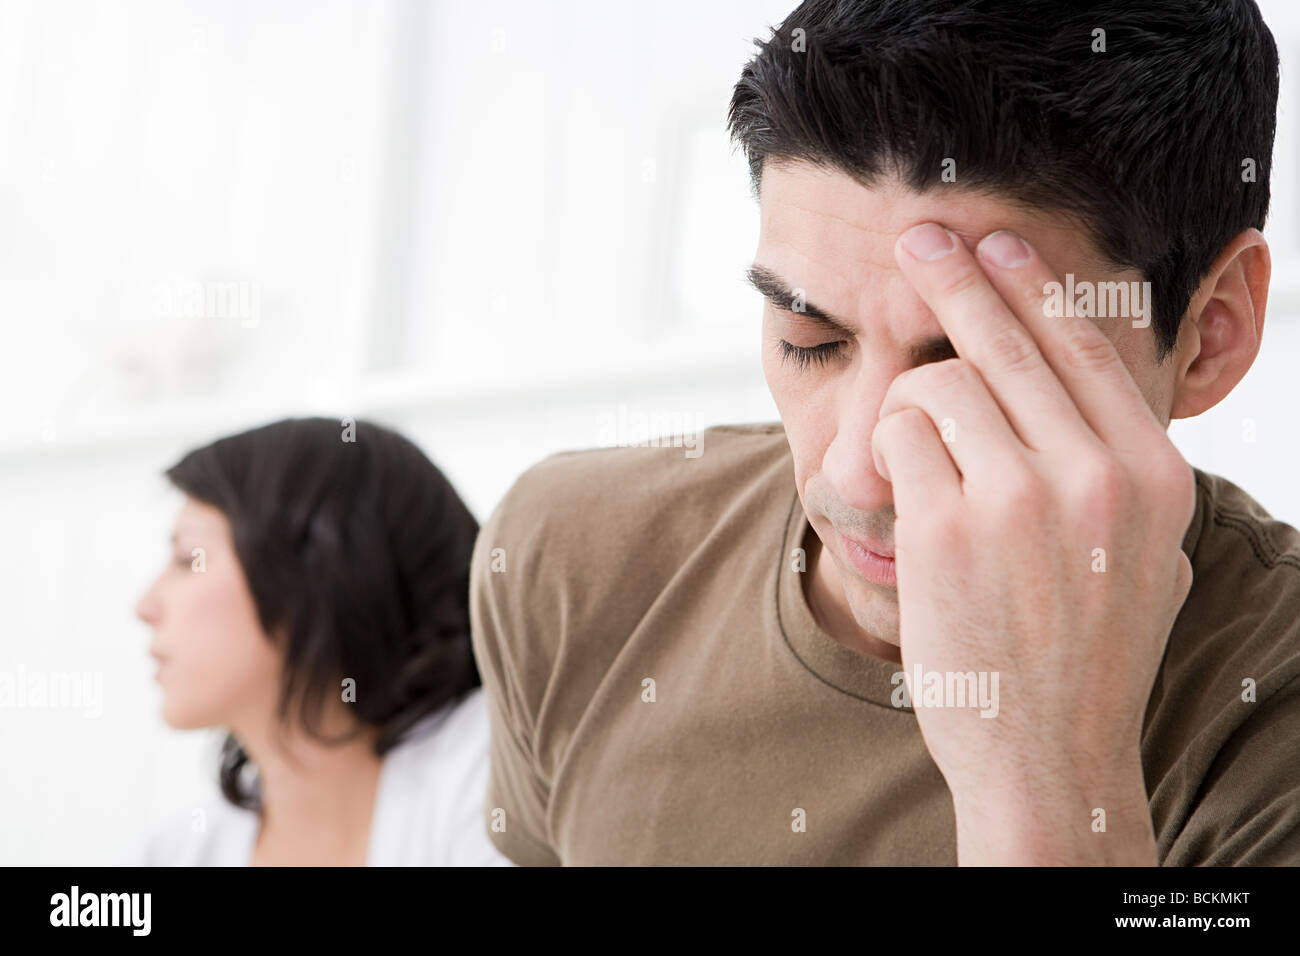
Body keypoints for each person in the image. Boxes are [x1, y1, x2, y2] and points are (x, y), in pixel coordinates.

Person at [470, 0, 1300, 865]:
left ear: (1212, 333)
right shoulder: (567, 559)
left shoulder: (1272, 721)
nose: (858, 475)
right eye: (810, 340)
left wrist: (1044, 784)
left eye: (975, 363)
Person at [135, 417, 511, 865]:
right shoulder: (184, 852)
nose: (145, 605)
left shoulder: (491, 783)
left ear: (322, 573)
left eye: (187, 559)